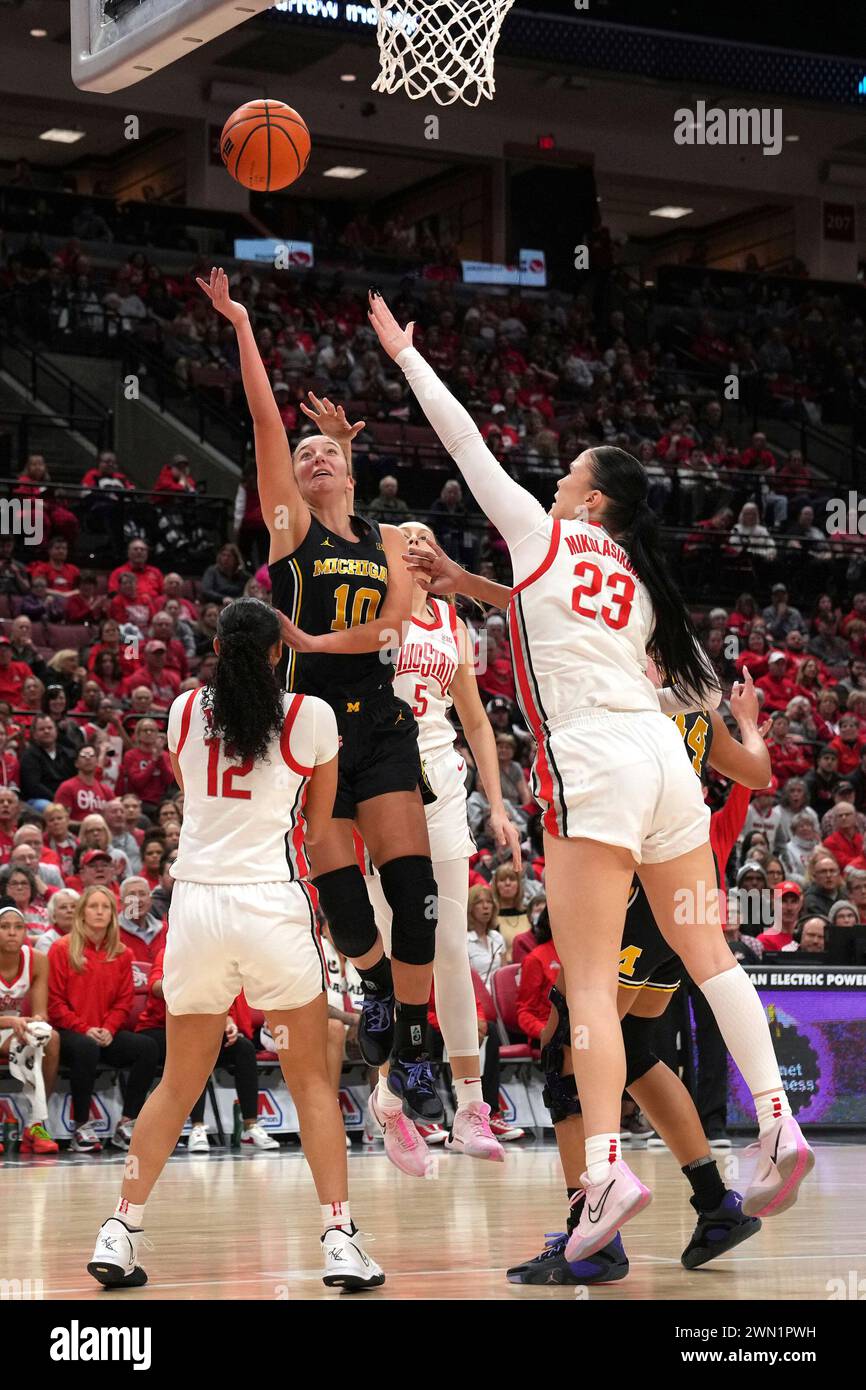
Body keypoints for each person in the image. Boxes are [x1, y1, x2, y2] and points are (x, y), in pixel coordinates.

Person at [369, 290, 813, 1259]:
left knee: (584, 987)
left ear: (591, 498)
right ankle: (777, 1120)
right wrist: (466, 583)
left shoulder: (537, 530)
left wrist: (406, 356)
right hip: (664, 765)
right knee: (713, 959)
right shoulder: (643, 582)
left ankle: (605, 1167)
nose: (557, 478)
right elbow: (638, 668)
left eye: (570, 473)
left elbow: (461, 442)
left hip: (592, 760)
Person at [198, 267, 440, 1121]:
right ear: (292, 487)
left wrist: (307, 640)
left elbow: (389, 633)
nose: (314, 456)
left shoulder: (391, 539)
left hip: (377, 719)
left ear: (349, 468)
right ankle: (381, 995)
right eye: (305, 457)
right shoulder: (292, 527)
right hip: (310, 727)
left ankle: (413, 1039)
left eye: (328, 451)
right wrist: (239, 323)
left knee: (416, 901)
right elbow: (268, 421)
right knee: (346, 908)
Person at [87, 597, 383, 1292]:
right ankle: (339, 1237)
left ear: (217, 650)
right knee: (311, 1079)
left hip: (195, 906)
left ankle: (120, 1226)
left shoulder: (184, 712)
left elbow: (196, 790)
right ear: (281, 652)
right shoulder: (313, 717)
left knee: (177, 1082)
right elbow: (319, 826)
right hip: (270, 903)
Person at [362, 519, 520, 1175]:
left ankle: (469, 1107)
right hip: (378, 783)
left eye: (428, 535)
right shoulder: (372, 609)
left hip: (442, 784)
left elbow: (477, 721)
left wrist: (499, 800)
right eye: (405, 537)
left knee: (452, 945)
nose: (418, 543)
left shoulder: (452, 625)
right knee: (398, 955)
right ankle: (387, 1099)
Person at [48, 885, 158, 1153]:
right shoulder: (61, 949)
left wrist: (109, 1029)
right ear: (82, 912)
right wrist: (85, 1029)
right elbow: (55, 1004)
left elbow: (124, 1002)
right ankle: (81, 1126)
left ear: (113, 913)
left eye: (105, 907)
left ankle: (127, 1122)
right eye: (93, 906)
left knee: (147, 1048)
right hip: (70, 1033)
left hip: (105, 1033)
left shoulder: (123, 954)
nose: (99, 912)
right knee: (86, 1047)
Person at [135, 947, 277, 1151]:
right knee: (194, 1047)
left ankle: (250, 1125)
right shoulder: (168, 952)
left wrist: (227, 1021)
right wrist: (184, 986)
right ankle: (197, 1127)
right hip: (161, 1028)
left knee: (242, 1047)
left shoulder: (214, 956)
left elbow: (222, 996)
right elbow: (155, 986)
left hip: (203, 1025)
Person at [0, 899, 60, 1153]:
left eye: (18, 926)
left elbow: (39, 1012)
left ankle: (36, 1124)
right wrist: (10, 1021)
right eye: (4, 926)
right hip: (7, 1024)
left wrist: (35, 1024)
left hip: (16, 1026)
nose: (12, 932)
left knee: (51, 1038)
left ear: (26, 931)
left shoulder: (37, 959)